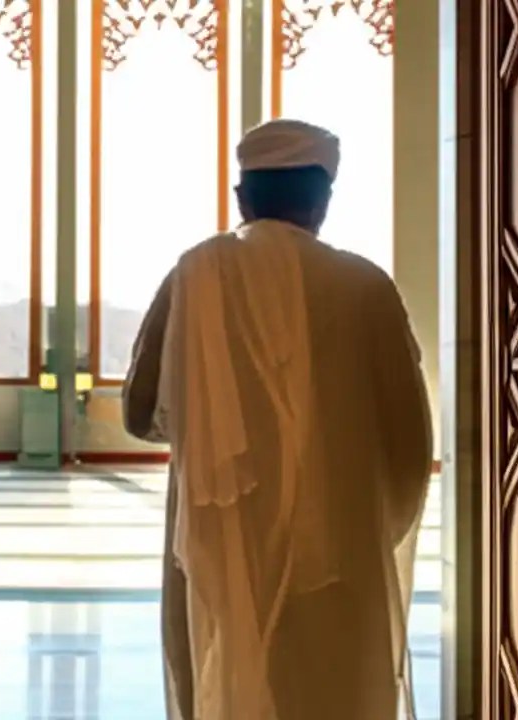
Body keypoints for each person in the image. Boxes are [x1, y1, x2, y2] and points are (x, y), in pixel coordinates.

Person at [122, 119, 432, 720]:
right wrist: (362, 532)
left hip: (216, 556)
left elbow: (141, 412)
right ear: (322, 199)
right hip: (340, 559)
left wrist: (219, 430)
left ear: (242, 198)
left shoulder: (193, 276)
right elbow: (408, 447)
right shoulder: (365, 286)